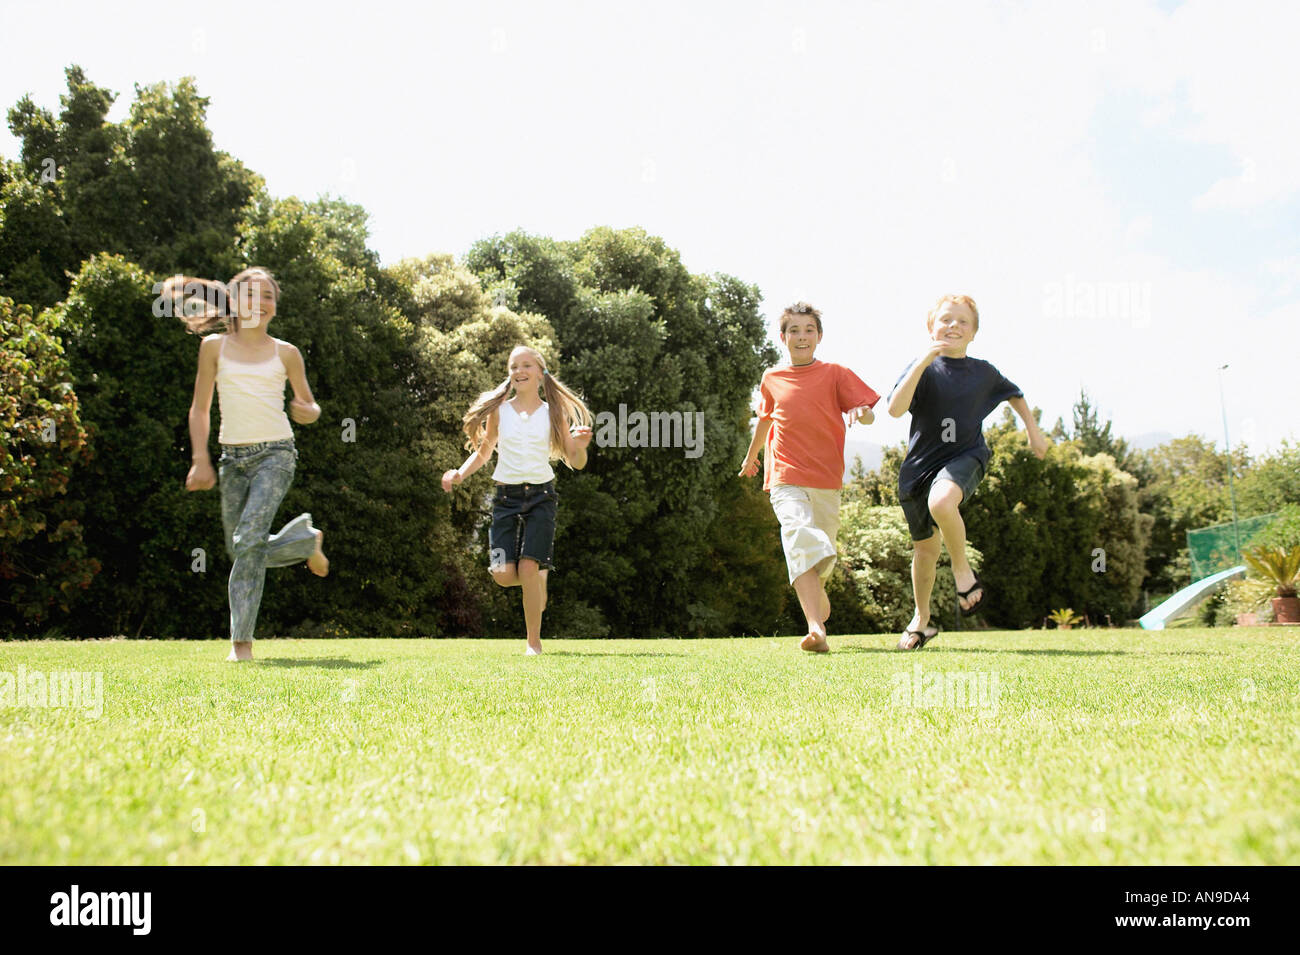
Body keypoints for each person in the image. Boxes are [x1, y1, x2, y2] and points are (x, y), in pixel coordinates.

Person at [176, 268, 329, 662]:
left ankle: (240, 644)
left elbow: (310, 406)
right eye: (251, 295)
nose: (260, 304)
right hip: (232, 458)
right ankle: (304, 541)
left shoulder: (286, 353)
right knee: (240, 546)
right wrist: (200, 459)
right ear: (234, 301)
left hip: (276, 453)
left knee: (247, 544)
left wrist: (306, 411)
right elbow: (200, 408)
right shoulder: (213, 348)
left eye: (268, 297)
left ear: (274, 307)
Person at [887, 294, 1048, 650]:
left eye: (962, 321)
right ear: (931, 327)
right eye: (945, 319)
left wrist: (1032, 431)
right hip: (917, 469)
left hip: (966, 455)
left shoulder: (983, 372)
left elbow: (1015, 394)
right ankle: (921, 621)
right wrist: (926, 357)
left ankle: (963, 571)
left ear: (974, 332)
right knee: (925, 551)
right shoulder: (921, 367)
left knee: (942, 501)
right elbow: (895, 409)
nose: (953, 326)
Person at [740, 302, 879, 653]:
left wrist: (861, 414)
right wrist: (751, 455)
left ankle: (818, 595)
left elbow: (866, 413)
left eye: (809, 330)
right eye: (794, 331)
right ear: (783, 337)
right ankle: (816, 629)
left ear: (819, 336)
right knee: (797, 535)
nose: (802, 336)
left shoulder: (835, 373)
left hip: (826, 478)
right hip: (785, 474)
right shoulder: (772, 378)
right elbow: (766, 420)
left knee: (817, 556)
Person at [442, 346, 593, 655]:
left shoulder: (554, 412)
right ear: (509, 375)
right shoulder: (500, 411)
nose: (519, 370)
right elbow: (484, 451)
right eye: (513, 366)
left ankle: (533, 644)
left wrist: (580, 445)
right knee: (501, 574)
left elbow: (576, 461)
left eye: (526, 365)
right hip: (506, 498)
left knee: (527, 567)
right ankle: (538, 581)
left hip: (541, 496)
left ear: (540, 373)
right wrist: (459, 473)